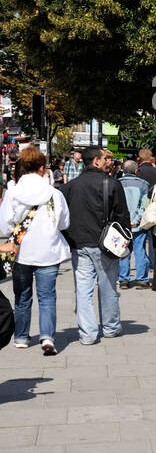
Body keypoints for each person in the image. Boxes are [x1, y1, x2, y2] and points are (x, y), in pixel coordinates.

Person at [0, 147, 70, 354]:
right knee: (47, 296)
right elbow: (64, 223)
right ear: (42, 168)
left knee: (22, 296)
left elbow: (4, 226)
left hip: (20, 251)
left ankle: (21, 337)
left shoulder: (13, 193)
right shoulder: (54, 194)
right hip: (49, 251)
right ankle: (47, 337)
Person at [60, 147, 131, 345]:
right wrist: (127, 245)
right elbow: (122, 216)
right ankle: (110, 327)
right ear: (97, 161)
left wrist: (69, 238)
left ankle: (88, 333)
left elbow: (62, 218)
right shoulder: (112, 184)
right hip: (105, 243)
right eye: (104, 158)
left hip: (79, 243)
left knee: (83, 290)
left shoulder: (69, 187)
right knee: (108, 286)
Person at [117, 160, 152, 288]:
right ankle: (142, 278)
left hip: (122, 224)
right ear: (136, 171)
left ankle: (123, 279)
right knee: (140, 250)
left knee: (123, 250)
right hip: (137, 224)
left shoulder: (118, 183)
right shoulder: (143, 184)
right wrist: (136, 220)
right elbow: (144, 205)